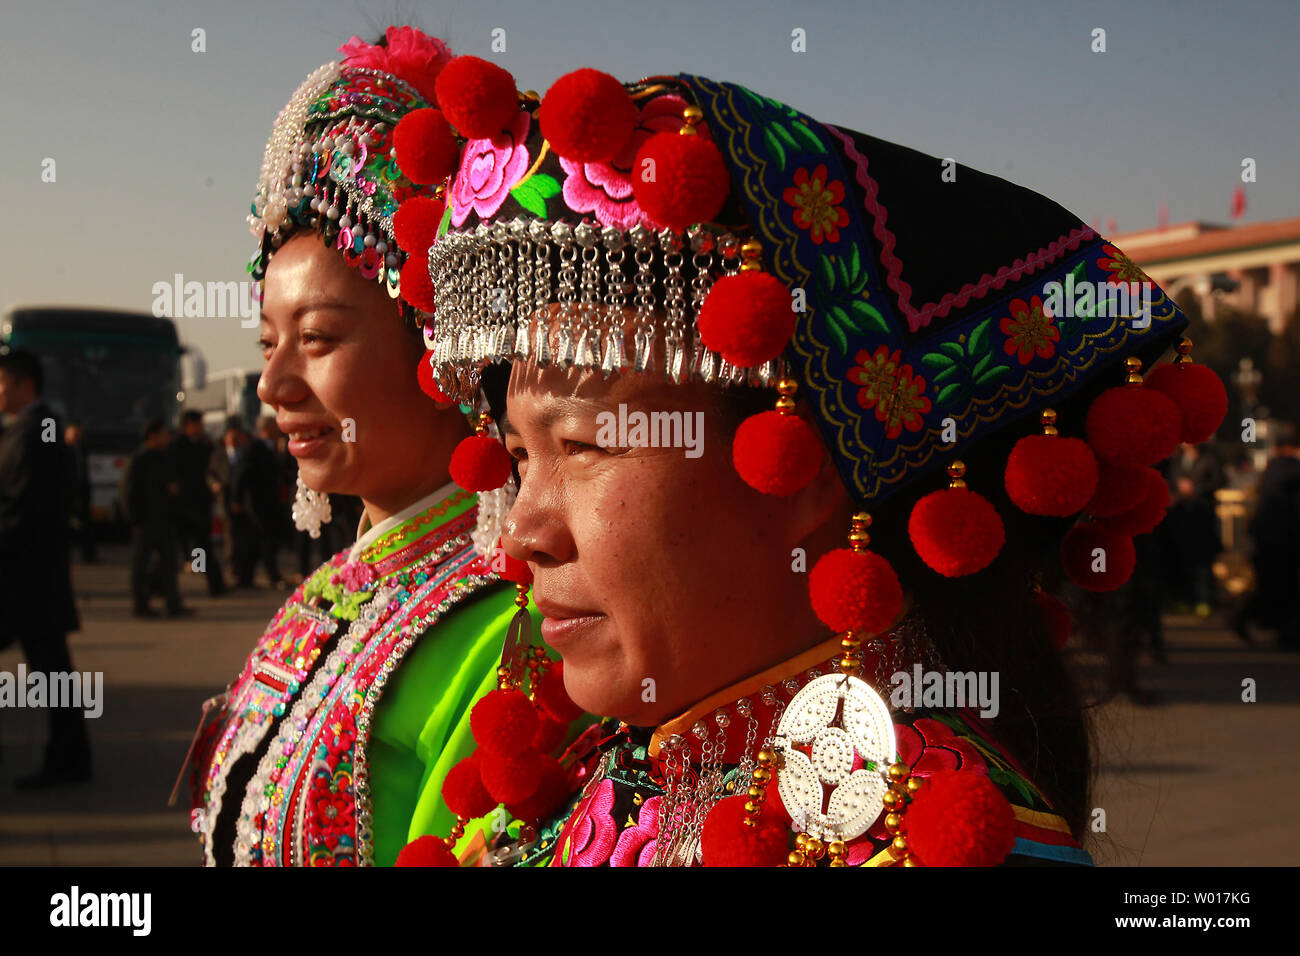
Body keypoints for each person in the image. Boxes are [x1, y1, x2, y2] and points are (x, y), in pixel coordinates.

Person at [393, 62, 1228, 867]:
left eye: (583, 445)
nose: (524, 532)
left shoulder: (936, 836)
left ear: (806, 468)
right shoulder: (586, 783)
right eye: (517, 457)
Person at [187, 26, 567, 868]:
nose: (273, 385)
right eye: (265, 345)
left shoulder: (520, 626)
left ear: (440, 356)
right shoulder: (340, 583)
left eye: (317, 339)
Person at [0, 349, 89, 788]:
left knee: (53, 672)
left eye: (2, 381)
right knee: (53, 671)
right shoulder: (31, 428)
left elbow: (26, 505)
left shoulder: (38, 429)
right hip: (30, 576)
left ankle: (69, 760)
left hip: (28, 576)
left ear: (23, 384)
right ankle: (69, 757)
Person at [1239, 422, 1300, 649]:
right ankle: (1284, 631)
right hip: (1279, 539)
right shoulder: (1286, 467)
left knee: (1276, 586)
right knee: (1280, 586)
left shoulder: (1276, 467)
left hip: (1272, 537)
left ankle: (1281, 629)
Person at [120, 419, 189, 619]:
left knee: (169, 564)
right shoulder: (139, 460)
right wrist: (134, 520)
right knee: (141, 565)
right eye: (164, 433)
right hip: (145, 522)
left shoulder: (165, 458)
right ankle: (141, 605)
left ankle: (173, 603)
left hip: (165, 520)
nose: (168, 437)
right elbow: (128, 493)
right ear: (153, 436)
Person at [225, 418, 283, 589]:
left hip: (268, 502)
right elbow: (241, 476)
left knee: (261, 540)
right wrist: (236, 499)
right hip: (257, 503)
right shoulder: (255, 448)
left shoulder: (273, 447)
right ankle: (260, 576)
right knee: (261, 540)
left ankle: (251, 577)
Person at [173, 410, 226, 596]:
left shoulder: (204, 445)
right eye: (198, 424)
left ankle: (212, 582)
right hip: (180, 506)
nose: (201, 428)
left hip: (199, 505)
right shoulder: (176, 446)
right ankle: (158, 586)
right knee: (171, 548)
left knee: (202, 545)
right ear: (188, 425)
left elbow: (212, 469)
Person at [63, 423, 96, 563]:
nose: (76, 437)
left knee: (85, 525)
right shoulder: (62, 450)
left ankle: (88, 556)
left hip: (82, 490)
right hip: (67, 491)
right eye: (73, 434)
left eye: (78, 434)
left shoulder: (83, 449)